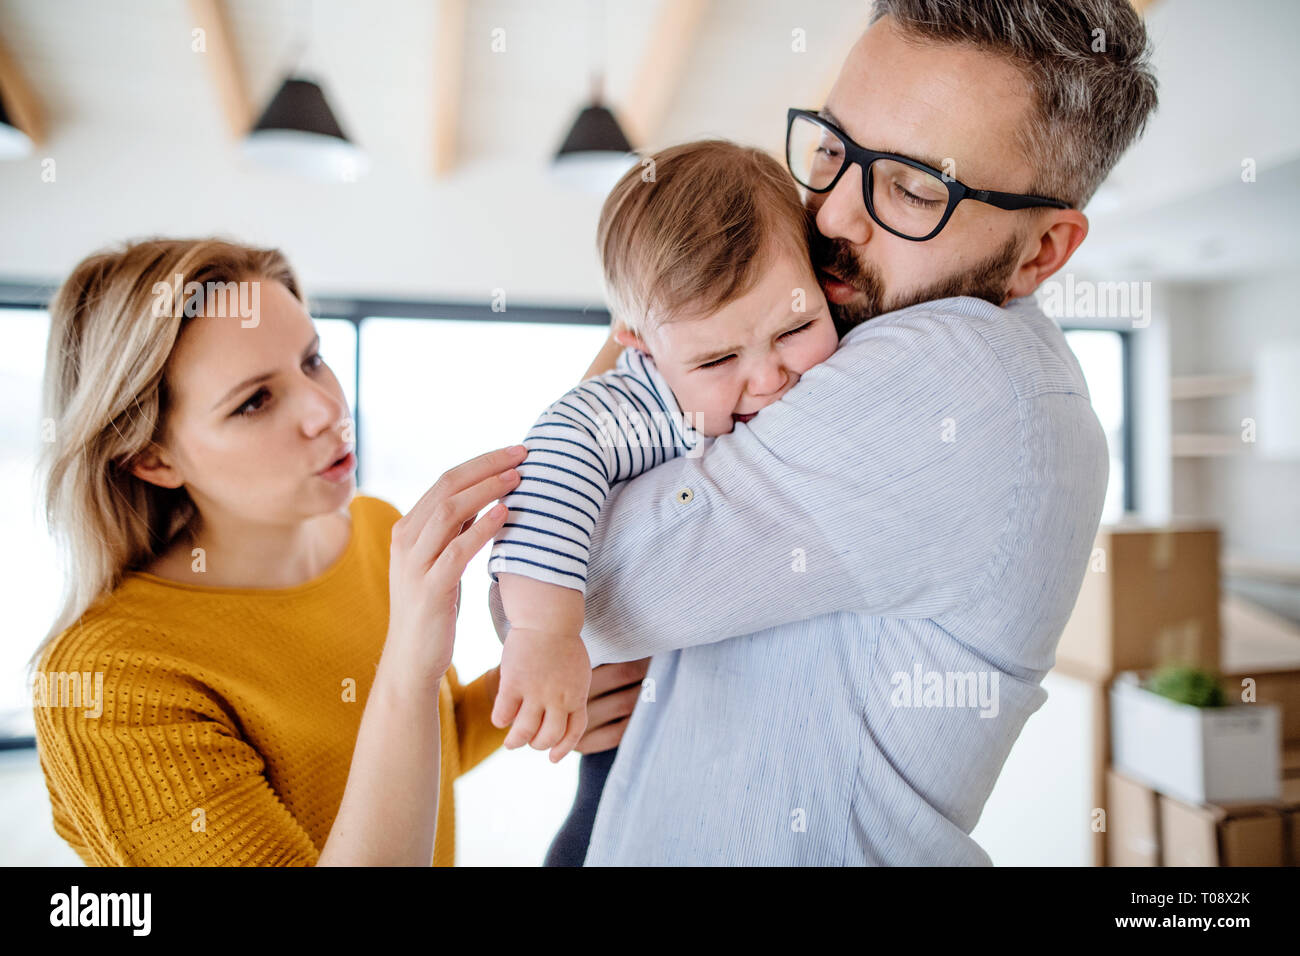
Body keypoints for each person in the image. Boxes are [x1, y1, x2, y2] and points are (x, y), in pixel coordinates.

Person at [488, 0, 1158, 865]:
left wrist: (666, 325)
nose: (836, 216)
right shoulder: (846, 330)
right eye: (835, 150)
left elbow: (579, 596)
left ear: (1041, 252)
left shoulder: (966, 373)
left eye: (917, 188)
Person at [29, 237, 643, 866]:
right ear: (150, 458)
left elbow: (432, 737)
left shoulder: (374, 528)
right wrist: (409, 665)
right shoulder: (105, 684)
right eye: (255, 401)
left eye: (312, 360)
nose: (326, 410)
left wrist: (532, 691)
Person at [486, 141, 840, 865]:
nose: (769, 376)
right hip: (629, 739)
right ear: (639, 346)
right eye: (716, 361)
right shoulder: (643, 402)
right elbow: (557, 454)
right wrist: (545, 632)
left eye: (796, 329)